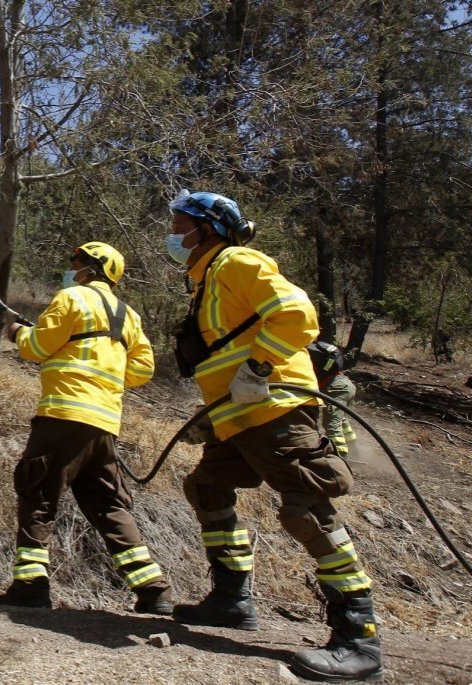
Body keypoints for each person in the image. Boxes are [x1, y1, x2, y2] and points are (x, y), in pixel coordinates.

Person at [166, 190, 381, 682]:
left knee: (306, 508)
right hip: (238, 415)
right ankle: (231, 599)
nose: (173, 234)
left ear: (210, 228)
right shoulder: (205, 280)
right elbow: (227, 351)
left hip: (274, 409)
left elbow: (297, 314)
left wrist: (260, 366)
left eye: (181, 223)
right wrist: (212, 411)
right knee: (206, 487)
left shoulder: (237, 260)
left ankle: (359, 637)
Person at [0, 242, 173, 615]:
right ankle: (154, 591)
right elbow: (142, 371)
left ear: (94, 268)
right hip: (104, 425)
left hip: (62, 416)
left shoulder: (71, 297)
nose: (71, 266)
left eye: (76, 261)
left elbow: (38, 346)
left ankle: (30, 586)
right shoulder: (129, 315)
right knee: (108, 505)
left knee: (37, 494)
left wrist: (19, 334)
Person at [308, 341, 358, 459]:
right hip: (346, 384)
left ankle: (341, 458)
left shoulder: (305, 355)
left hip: (335, 388)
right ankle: (354, 451)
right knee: (341, 420)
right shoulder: (316, 351)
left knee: (332, 424)